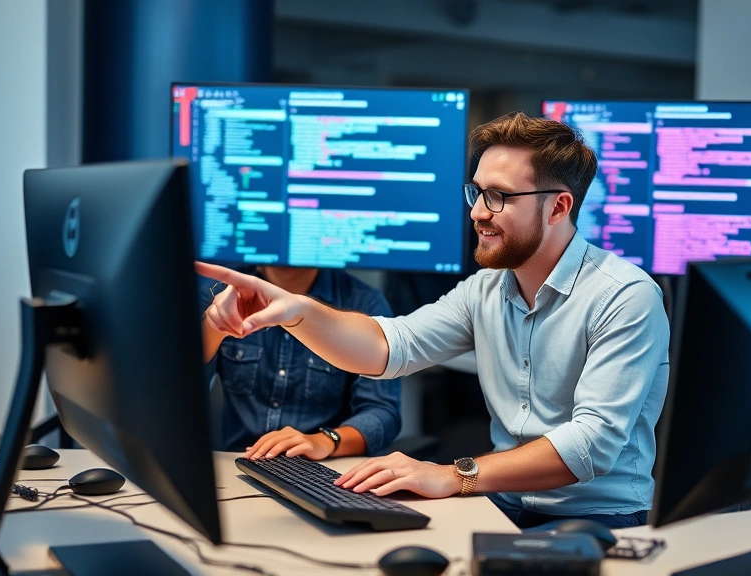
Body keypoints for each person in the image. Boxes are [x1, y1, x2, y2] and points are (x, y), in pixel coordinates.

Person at [198, 111, 670, 532]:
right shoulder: (485, 289)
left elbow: (591, 444)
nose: (478, 212)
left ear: (559, 207)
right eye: (477, 192)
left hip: (596, 519)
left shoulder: (625, 296)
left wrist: (453, 474)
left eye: (499, 197)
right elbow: (389, 347)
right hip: (500, 504)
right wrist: (296, 311)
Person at [200, 265, 401, 459]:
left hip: (321, 467)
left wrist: (325, 440)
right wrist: (214, 326)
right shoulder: (219, 294)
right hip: (237, 462)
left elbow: (382, 411)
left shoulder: (364, 302)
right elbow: (178, 395)